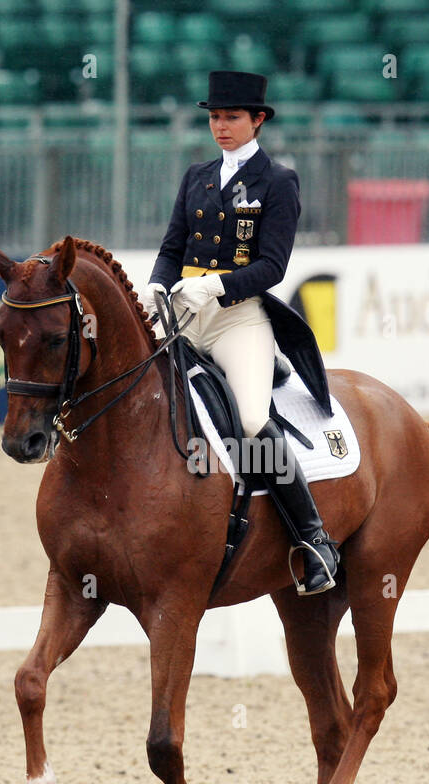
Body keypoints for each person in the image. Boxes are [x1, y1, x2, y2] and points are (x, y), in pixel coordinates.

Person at [143, 70, 340, 596]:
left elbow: (273, 265)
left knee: (251, 420)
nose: (221, 126)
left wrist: (215, 288)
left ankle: (314, 538)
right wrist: (158, 286)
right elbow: (171, 246)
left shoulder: (277, 181)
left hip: (236, 318)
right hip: (185, 315)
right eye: (214, 117)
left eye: (231, 117)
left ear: (257, 120)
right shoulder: (196, 176)